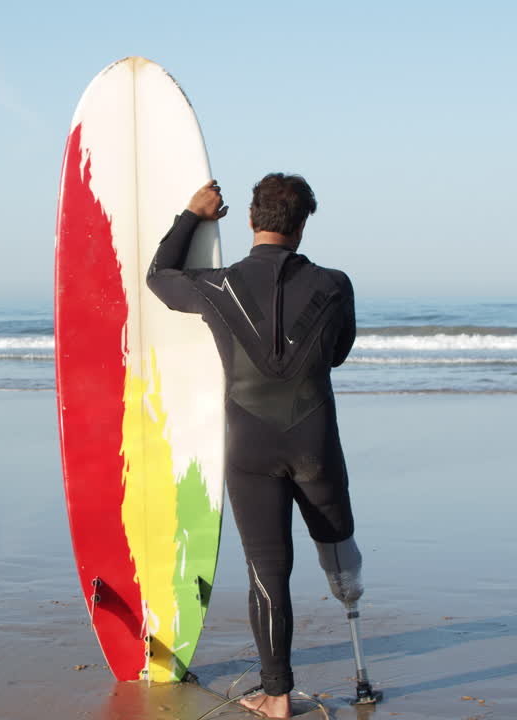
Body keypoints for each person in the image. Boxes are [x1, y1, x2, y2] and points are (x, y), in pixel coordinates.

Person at [147, 174, 364, 719]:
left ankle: (276, 695)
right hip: (316, 444)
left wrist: (193, 214)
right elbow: (337, 354)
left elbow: (158, 277)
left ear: (250, 219)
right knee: (337, 546)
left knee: (268, 572)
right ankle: (350, 598)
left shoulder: (218, 286)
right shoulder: (336, 285)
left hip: (250, 448)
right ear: (304, 223)